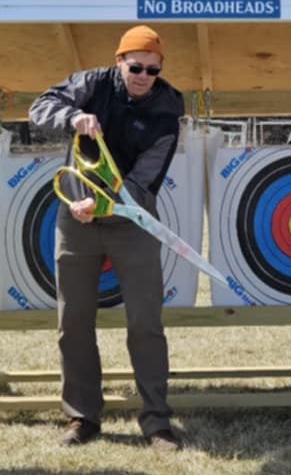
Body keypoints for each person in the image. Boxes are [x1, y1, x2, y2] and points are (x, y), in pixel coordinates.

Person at [28, 25, 186, 452]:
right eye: (135, 66)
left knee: (145, 322)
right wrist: (71, 116)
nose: (143, 76)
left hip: (132, 219)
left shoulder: (168, 107)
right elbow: (39, 107)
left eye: (153, 70)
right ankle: (83, 417)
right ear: (119, 61)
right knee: (73, 320)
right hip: (74, 218)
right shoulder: (91, 83)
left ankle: (156, 422)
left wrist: (101, 205)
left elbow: (145, 179)